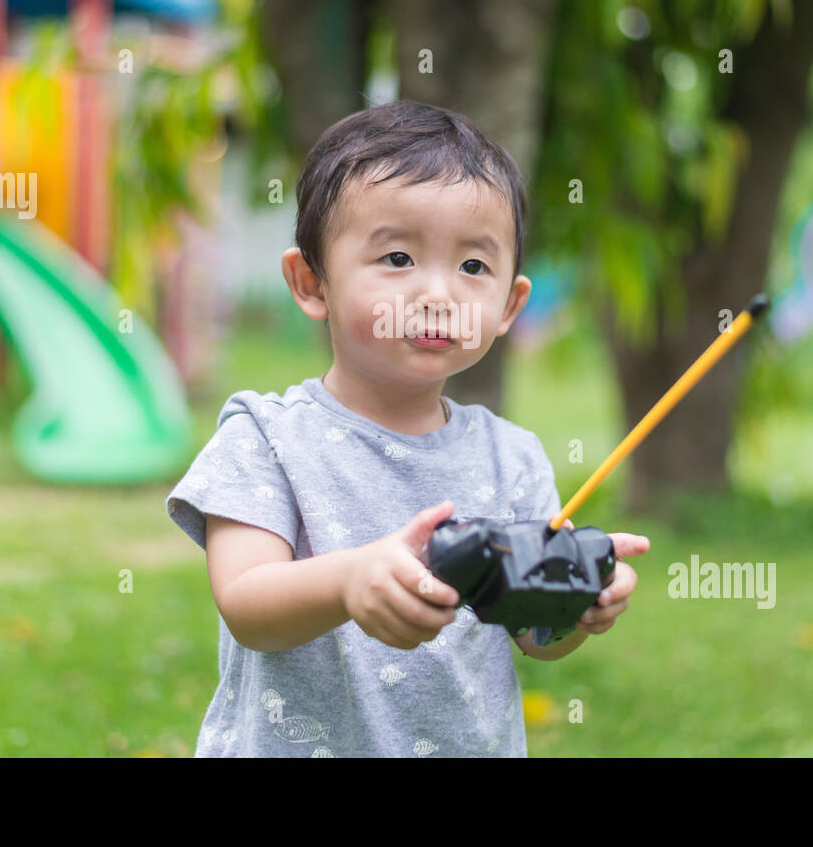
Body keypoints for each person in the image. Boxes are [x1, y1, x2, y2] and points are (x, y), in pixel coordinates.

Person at [166, 99, 649, 757]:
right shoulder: (265, 436)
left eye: (473, 266)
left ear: (509, 304)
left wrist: (575, 606)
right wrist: (350, 581)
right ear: (311, 282)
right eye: (397, 257)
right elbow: (248, 603)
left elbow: (533, 637)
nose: (439, 294)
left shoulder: (513, 457)